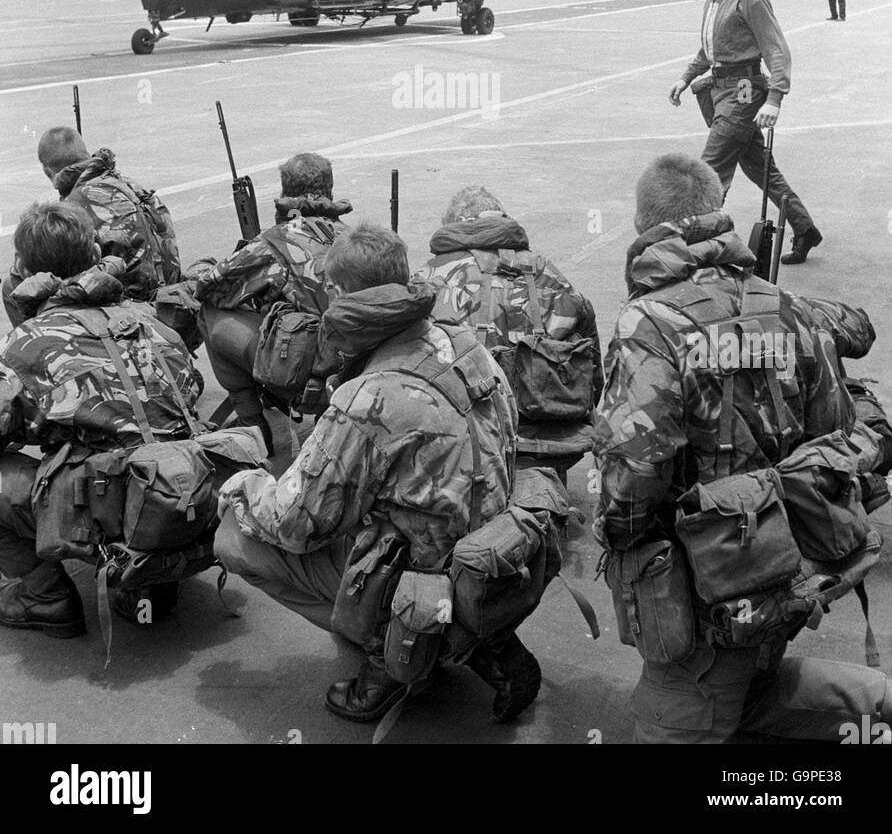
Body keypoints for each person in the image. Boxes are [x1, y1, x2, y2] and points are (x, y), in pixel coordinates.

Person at [593, 153, 891, 744]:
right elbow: (834, 437)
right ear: (716, 212)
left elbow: (631, 485)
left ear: (642, 223)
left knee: (678, 715)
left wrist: (621, 547)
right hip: (788, 567)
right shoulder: (787, 305)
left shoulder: (649, 324)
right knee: (751, 687)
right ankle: (870, 703)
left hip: (701, 590)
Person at [215, 221, 542, 725]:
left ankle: (391, 654)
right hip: (495, 554)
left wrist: (243, 484)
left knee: (236, 541)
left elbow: (295, 525)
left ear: (342, 294)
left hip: (421, 575)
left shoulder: (369, 397)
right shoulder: (469, 347)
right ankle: (482, 638)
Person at [0, 202, 203, 636]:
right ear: (95, 255)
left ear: (25, 271)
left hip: (112, 507)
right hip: (184, 498)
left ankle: (45, 597)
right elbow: (190, 391)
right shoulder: (153, 322)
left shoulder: (27, 342)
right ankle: (146, 587)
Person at [415, 185, 602, 470]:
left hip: (461, 451)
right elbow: (593, 378)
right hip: (550, 445)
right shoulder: (549, 273)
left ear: (454, 227)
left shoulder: (428, 278)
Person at [668, 0, 822, 266]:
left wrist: (775, 98)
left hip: (743, 92)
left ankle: (701, 248)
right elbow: (710, 46)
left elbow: (776, 48)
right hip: (721, 90)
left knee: (710, 170)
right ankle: (805, 228)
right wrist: (686, 77)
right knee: (759, 168)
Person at [195, 152, 352, 454]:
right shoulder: (357, 236)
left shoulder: (275, 239)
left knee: (210, 312)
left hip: (311, 380)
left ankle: (252, 423)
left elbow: (210, 287)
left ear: (284, 192)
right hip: (362, 372)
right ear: (330, 190)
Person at [2, 127, 181, 325]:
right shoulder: (129, 185)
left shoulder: (74, 207)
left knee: (15, 283)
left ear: (47, 170)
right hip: (172, 303)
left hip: (132, 315)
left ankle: (39, 345)